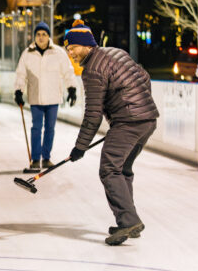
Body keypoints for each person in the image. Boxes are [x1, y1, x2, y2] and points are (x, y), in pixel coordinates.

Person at [65, 20, 159, 246]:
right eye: (67, 50)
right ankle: (129, 220)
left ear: (86, 45)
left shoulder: (92, 70)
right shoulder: (116, 52)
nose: (71, 54)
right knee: (123, 169)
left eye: (73, 48)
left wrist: (81, 147)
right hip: (147, 119)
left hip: (129, 121)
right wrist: (139, 108)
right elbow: (143, 77)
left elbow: (93, 114)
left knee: (109, 169)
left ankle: (128, 220)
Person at [14, 22, 76, 170]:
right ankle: (35, 159)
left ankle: (46, 158)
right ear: (34, 36)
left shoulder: (58, 53)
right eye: (38, 34)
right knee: (36, 128)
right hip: (36, 98)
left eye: (44, 34)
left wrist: (72, 88)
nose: (41, 37)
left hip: (53, 98)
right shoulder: (27, 53)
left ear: (49, 36)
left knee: (50, 129)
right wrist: (18, 90)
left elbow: (68, 71)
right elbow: (21, 74)